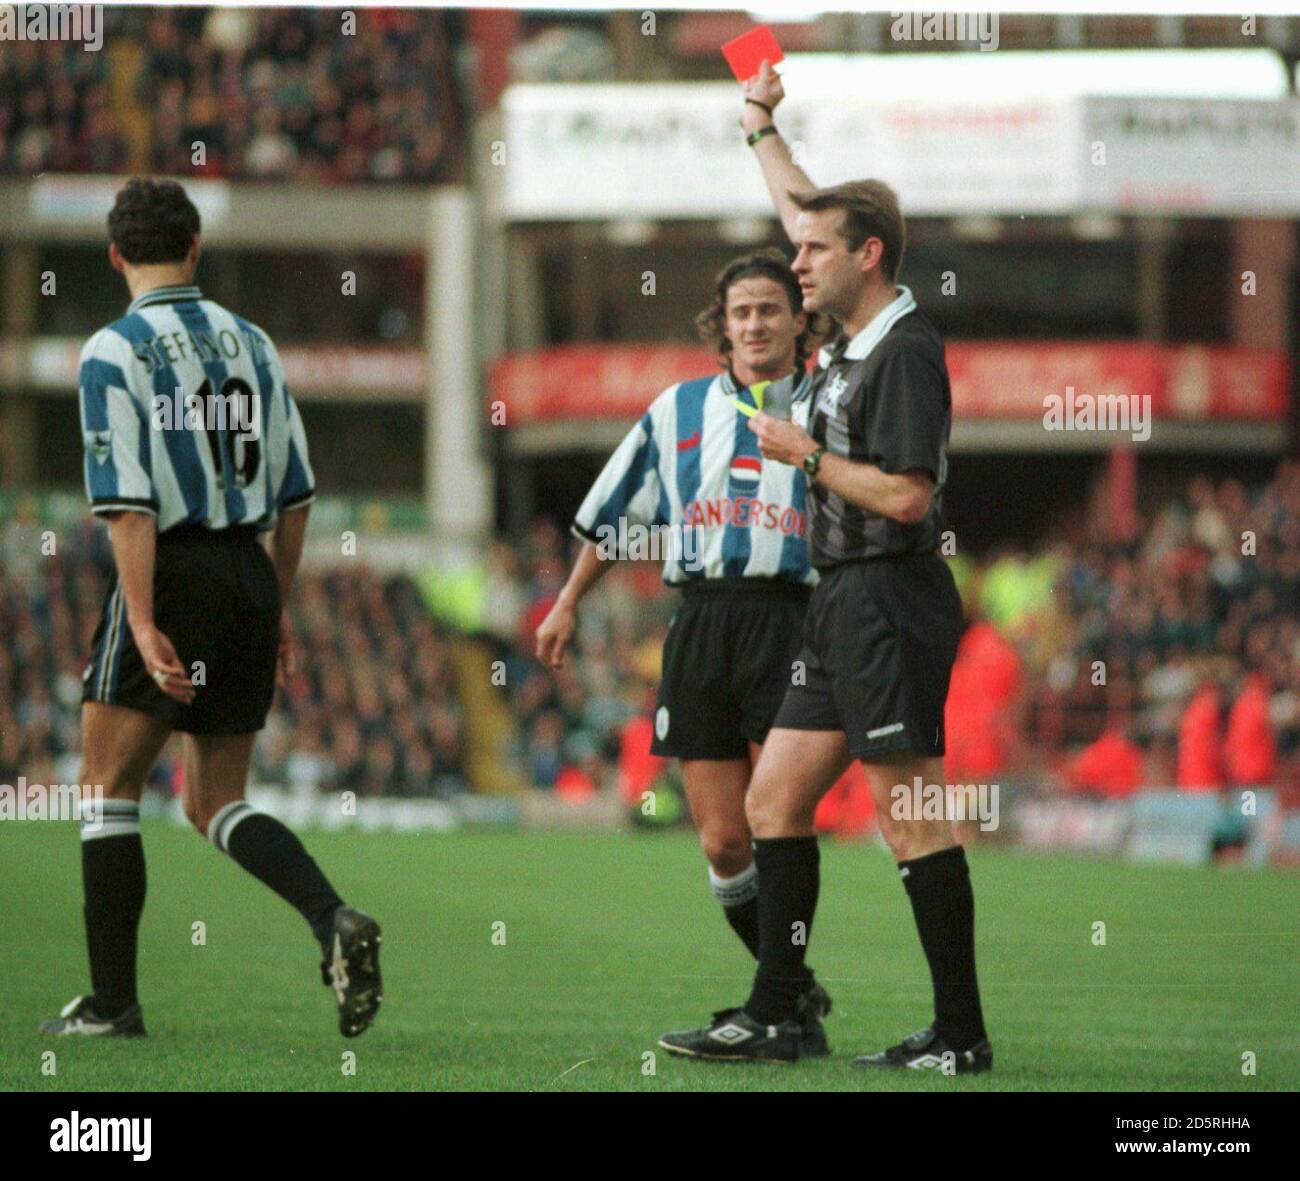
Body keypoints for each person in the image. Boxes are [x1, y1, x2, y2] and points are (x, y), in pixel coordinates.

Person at [659, 62, 991, 1071]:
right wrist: (758, 123)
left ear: (870, 255)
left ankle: (960, 1033)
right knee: (771, 803)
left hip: (888, 594)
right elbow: (800, 203)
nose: (795, 261)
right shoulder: (852, 334)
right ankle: (778, 1012)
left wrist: (809, 458)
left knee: (910, 815)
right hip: (840, 602)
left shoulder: (903, 351)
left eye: (814, 251)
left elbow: (904, 496)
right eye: (796, 247)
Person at [41, 178, 381, 1040]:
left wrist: (146, 619)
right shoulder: (254, 343)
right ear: (195, 246)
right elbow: (296, 495)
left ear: (115, 254)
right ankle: (330, 917)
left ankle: (113, 1003)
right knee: (215, 798)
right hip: (249, 572)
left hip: (178, 568)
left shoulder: (112, 351)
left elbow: (128, 504)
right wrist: (279, 610)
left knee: (108, 789)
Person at [535, 249, 835, 1049]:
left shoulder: (830, 402)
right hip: (702, 620)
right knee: (725, 840)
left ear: (797, 320)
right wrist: (567, 602)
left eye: (770, 309)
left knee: (780, 819)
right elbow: (614, 516)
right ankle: (792, 996)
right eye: (741, 312)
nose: (755, 324)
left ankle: (773, 1007)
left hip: (794, 619)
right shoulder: (677, 410)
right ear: (722, 325)